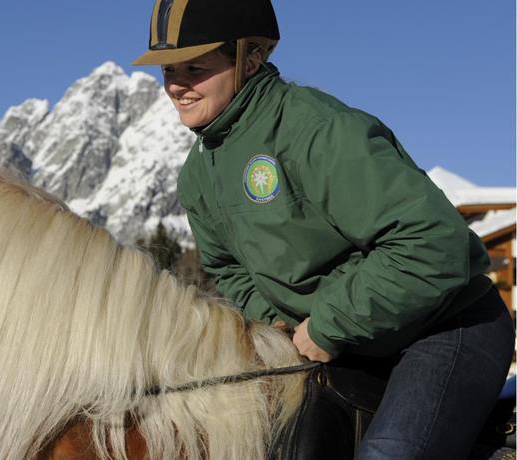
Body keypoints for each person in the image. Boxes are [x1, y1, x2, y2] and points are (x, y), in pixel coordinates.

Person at [132, 0, 515, 458]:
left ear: (250, 58)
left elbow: (433, 244)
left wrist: (329, 325)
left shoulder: (316, 130)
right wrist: (277, 328)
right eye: (169, 70)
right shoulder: (197, 176)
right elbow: (229, 270)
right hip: (344, 345)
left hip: (446, 327)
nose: (177, 86)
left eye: (195, 67)